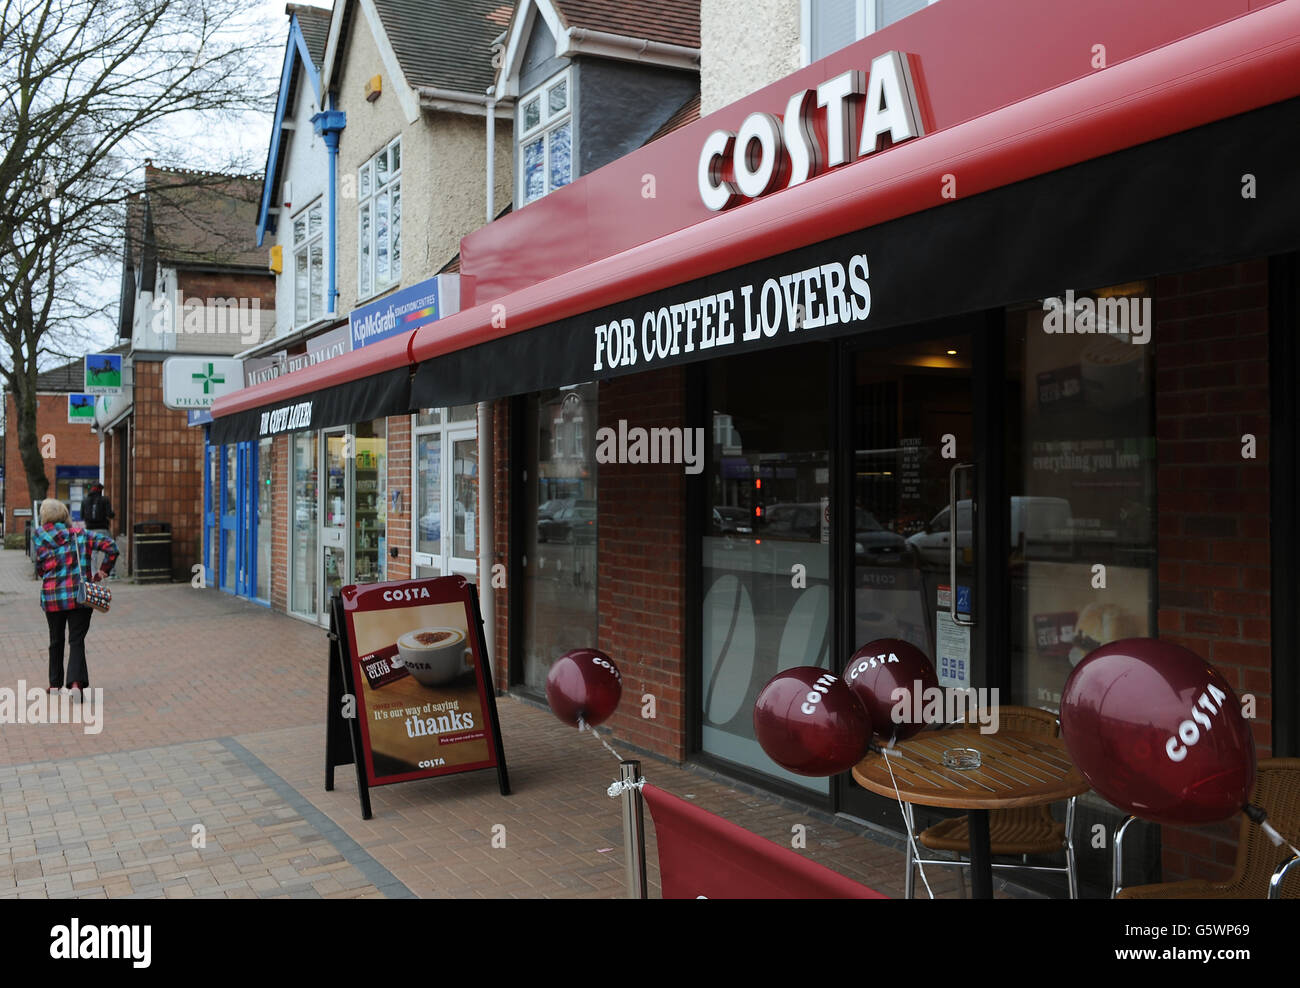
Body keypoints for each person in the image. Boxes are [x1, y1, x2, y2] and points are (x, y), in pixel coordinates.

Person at [33, 499, 118, 695]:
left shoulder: (38, 536)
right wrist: (103, 570)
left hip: (52, 597)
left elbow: (39, 567)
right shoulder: (81, 535)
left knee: (55, 640)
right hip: (80, 597)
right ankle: (76, 684)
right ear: (64, 515)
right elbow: (111, 547)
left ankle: (55, 685)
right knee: (76, 639)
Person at [81, 482, 115, 576]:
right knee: (111, 549)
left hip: (90, 529)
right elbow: (110, 514)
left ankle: (93, 573)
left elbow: (82, 515)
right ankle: (110, 572)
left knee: (92, 552)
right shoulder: (105, 500)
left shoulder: (85, 501)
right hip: (103, 528)